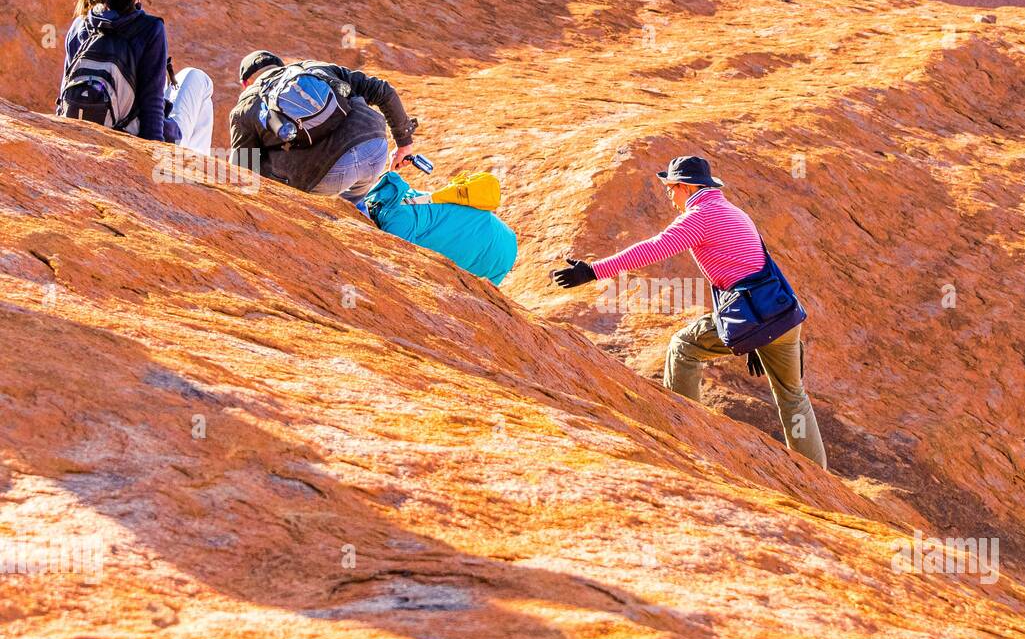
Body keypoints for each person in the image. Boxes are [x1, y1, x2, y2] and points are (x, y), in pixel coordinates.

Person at [551, 156, 826, 467]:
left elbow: (654, 248)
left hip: (759, 318)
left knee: (683, 347)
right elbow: (756, 267)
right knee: (793, 396)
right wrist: (758, 336)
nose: (669, 196)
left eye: (671, 188)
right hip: (780, 313)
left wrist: (593, 271)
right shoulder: (735, 212)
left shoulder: (700, 216)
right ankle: (819, 477)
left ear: (685, 186)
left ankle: (684, 436)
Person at [57, 0, 213, 153]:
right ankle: (194, 170)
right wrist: (154, 156)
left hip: (83, 132)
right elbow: (152, 104)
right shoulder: (148, 28)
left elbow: (63, 95)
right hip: (132, 137)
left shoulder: (80, 25)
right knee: (198, 79)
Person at [229, 51, 416, 199]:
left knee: (256, 163)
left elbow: (242, 171)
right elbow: (382, 90)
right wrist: (403, 143)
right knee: (352, 98)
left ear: (245, 83)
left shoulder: (245, 107)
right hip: (375, 148)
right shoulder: (311, 67)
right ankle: (357, 212)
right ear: (281, 66)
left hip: (327, 175)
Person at [360, 171, 517, 286]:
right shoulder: (404, 199)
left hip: (492, 250)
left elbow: (401, 265)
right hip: (503, 241)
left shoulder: (395, 217)